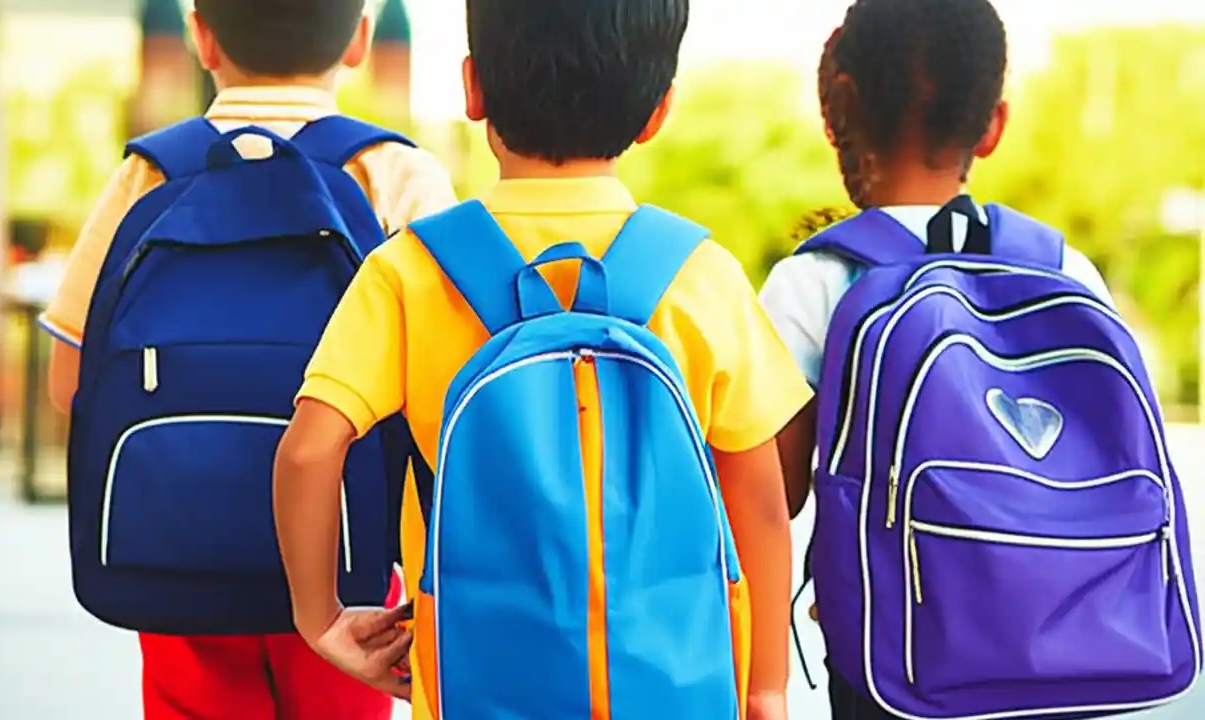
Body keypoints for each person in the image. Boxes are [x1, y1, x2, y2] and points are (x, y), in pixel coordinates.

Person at [272, 1, 814, 718]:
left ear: (473, 90)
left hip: (475, 686)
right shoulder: (698, 274)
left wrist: (320, 619)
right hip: (673, 687)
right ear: (658, 111)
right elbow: (761, 501)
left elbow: (310, 453)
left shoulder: (410, 272)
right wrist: (766, 686)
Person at [40, 1, 455, 718]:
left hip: (177, 555)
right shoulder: (396, 173)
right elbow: (445, 393)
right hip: (346, 574)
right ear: (358, 40)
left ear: (201, 35)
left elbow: (67, 382)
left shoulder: (149, 173)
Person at [759, 2, 1157, 719]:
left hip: (899, 662)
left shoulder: (817, 282)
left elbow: (771, 500)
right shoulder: (1068, 272)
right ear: (994, 125)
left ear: (838, 107)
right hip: (1074, 659)